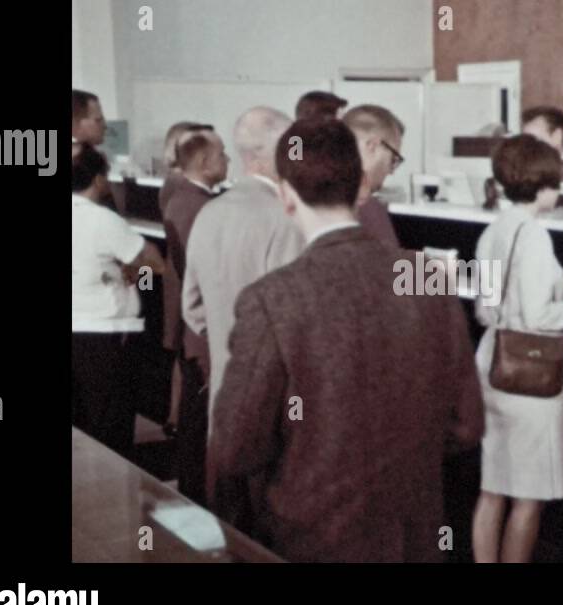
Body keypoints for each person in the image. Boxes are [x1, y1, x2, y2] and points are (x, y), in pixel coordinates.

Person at [210, 119, 484, 562]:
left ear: (285, 195)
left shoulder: (273, 298)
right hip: (414, 534)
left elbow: (236, 446)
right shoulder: (423, 276)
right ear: (360, 185)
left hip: (311, 536)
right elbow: (467, 424)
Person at [470, 135, 563, 563]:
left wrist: (556, 285)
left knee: (492, 489)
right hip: (530, 378)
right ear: (541, 184)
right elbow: (537, 317)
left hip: (493, 365)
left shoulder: (493, 231)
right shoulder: (534, 236)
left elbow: (485, 307)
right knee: (529, 498)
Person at [182, 106, 304, 474]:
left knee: (230, 517)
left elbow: (192, 307)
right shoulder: (286, 218)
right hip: (275, 401)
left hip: (223, 392)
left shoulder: (210, 212)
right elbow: (294, 319)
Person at [72, 144, 164, 457]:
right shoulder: (103, 220)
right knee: (111, 425)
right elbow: (154, 264)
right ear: (99, 180)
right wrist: (139, 275)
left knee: (80, 425)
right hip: (107, 333)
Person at [162, 128, 228, 504]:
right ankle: (198, 489)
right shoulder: (198, 206)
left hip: (189, 324)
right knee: (198, 413)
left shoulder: (182, 198)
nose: (228, 160)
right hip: (200, 327)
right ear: (203, 162)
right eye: (222, 154)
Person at [342, 104, 405, 247]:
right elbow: (389, 267)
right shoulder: (367, 208)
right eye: (393, 159)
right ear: (372, 146)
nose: (391, 171)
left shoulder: (309, 194)